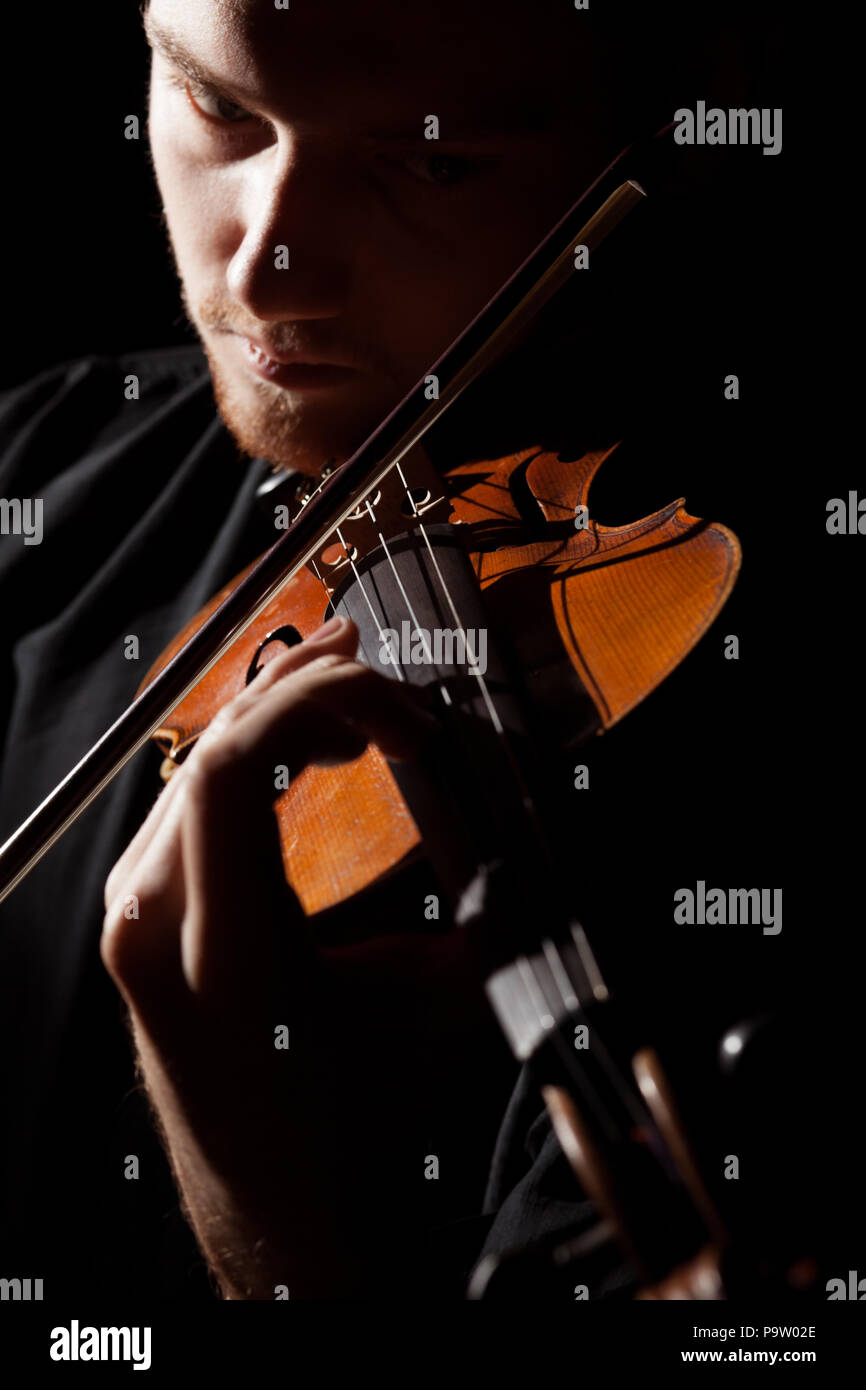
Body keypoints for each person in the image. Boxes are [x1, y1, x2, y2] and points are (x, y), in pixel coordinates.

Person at [0, 0, 803, 1302]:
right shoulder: (40, 471)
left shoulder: (748, 746)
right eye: (220, 107)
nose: (266, 272)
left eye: (433, 162)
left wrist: (271, 1210)